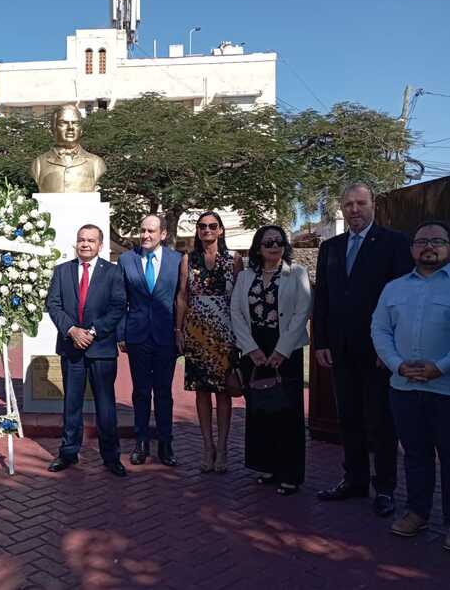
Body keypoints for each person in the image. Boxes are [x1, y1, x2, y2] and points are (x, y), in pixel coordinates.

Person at [313, 183, 412, 517]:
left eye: (360, 203)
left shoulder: (395, 243)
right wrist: (321, 341)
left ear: (373, 205)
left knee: (382, 422)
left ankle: (384, 488)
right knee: (349, 418)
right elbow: (323, 298)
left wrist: (391, 349)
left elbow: (402, 300)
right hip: (340, 350)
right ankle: (354, 480)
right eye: (348, 204)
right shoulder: (330, 248)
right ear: (342, 208)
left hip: (378, 352)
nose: (354, 209)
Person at [371, 220, 450, 550]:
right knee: (415, 455)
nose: (429, 246)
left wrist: (440, 368)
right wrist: (397, 364)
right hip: (403, 388)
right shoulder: (394, 288)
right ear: (412, 249)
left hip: (446, 389)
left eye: (437, 241)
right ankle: (418, 512)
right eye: (421, 241)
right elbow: (379, 329)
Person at [231, 226, 312, 495]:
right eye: (268, 242)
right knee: (260, 411)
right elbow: (236, 312)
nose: (274, 246)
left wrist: (282, 350)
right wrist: (251, 349)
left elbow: (302, 312)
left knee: (287, 413)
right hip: (254, 350)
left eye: (278, 241)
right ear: (258, 247)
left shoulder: (297, 273)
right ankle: (266, 466)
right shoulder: (246, 276)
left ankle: (290, 473)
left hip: (286, 350)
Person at [45, 224, 127, 477]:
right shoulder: (62, 271)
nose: (85, 244)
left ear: (100, 245)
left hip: (101, 348)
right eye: (82, 239)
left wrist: (92, 331)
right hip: (72, 347)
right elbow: (53, 304)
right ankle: (68, 453)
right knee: (72, 404)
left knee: (105, 405)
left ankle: (111, 457)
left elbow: (118, 306)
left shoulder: (113, 272)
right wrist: (72, 330)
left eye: (91, 240)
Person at [176, 211, 243, 473]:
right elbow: (182, 296)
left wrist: (240, 334)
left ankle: (223, 447)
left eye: (213, 226)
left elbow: (239, 298)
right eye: (202, 226)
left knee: (224, 391)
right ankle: (207, 446)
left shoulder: (233, 259)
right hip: (197, 332)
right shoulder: (188, 259)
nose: (207, 230)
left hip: (225, 333)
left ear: (221, 230)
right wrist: (179, 330)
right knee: (201, 391)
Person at [117, 214, 182, 466]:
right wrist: (121, 334)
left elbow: (181, 299)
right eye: (143, 230)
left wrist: (180, 332)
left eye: (151, 231)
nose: (145, 235)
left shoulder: (177, 260)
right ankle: (141, 442)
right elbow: (120, 300)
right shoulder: (126, 259)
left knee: (164, 392)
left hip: (166, 336)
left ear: (163, 234)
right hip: (137, 336)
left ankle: (166, 444)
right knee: (141, 392)